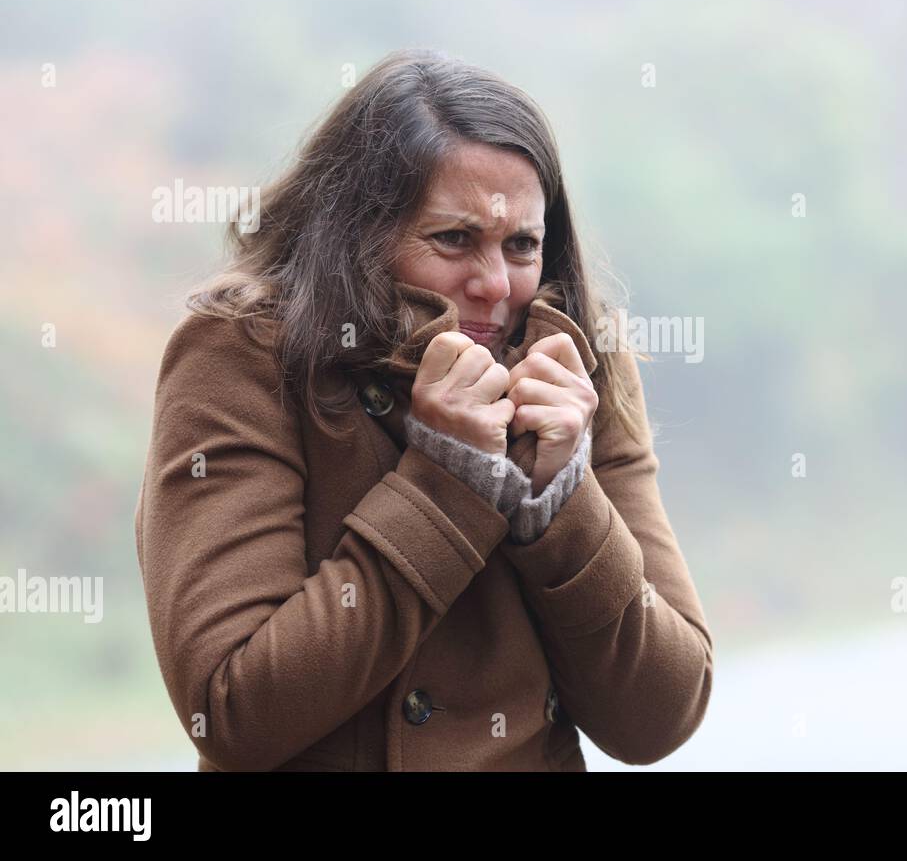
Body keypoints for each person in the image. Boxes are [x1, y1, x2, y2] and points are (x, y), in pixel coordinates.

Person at [134, 49, 713, 771]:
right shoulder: (244, 355)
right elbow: (230, 709)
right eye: (454, 239)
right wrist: (446, 482)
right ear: (356, 232)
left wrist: (566, 502)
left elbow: (661, 717)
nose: (495, 283)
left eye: (523, 244)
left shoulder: (577, 366)